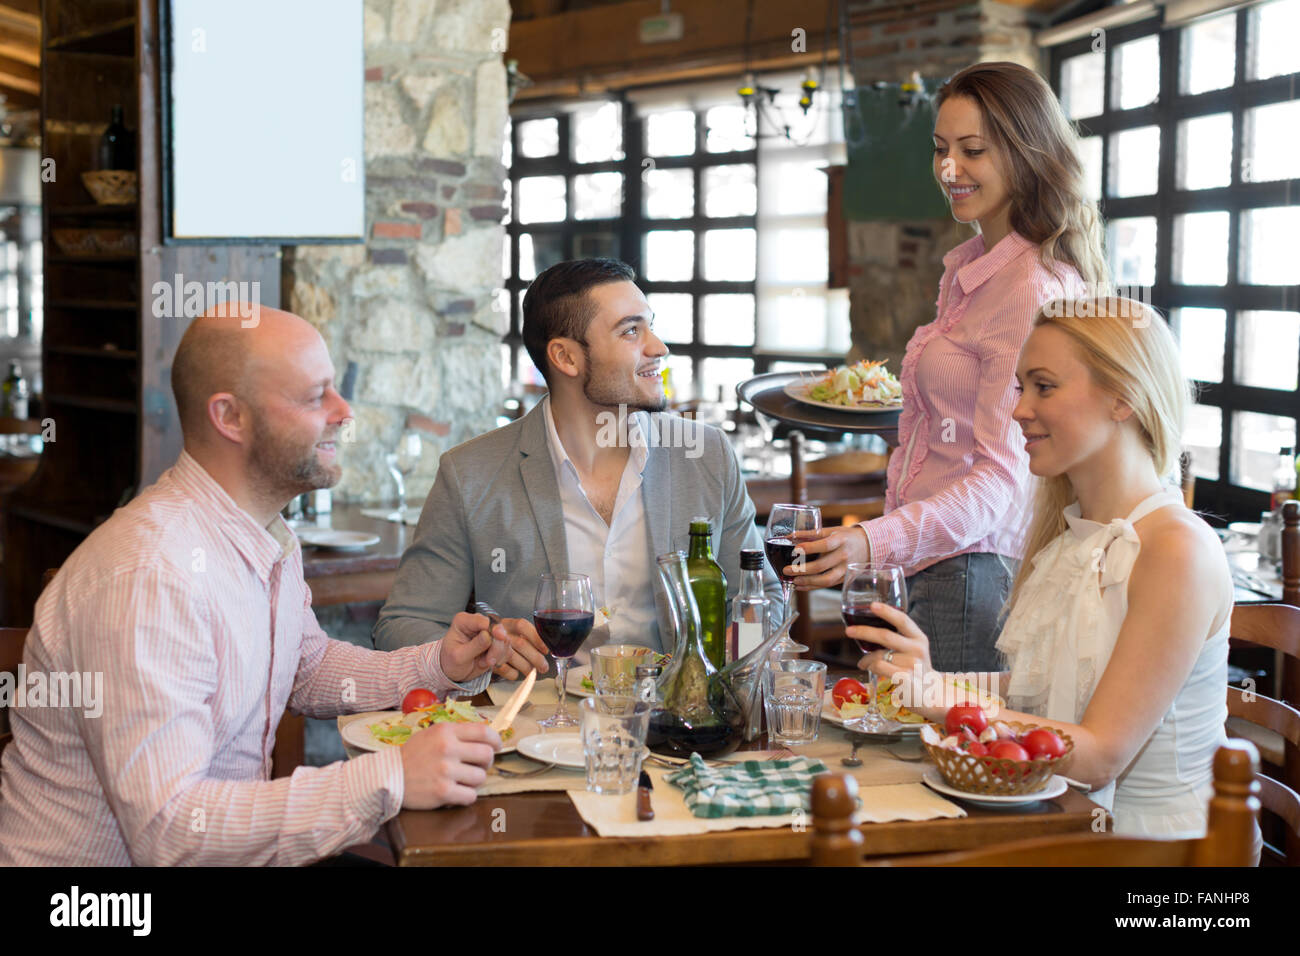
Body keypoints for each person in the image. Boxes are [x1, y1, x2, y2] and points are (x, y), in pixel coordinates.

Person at [0, 304, 523, 866]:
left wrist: (438, 667)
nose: (344, 413)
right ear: (230, 417)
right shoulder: (150, 575)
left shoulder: (264, 532)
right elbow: (170, 832)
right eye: (314, 395)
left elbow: (306, 666)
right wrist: (389, 778)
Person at [860, 298, 1257, 855]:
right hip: (1060, 828)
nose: (1018, 410)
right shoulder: (1069, 533)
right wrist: (933, 679)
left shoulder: (1176, 551)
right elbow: (1044, 694)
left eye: (1043, 387)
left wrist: (947, 702)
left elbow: (1098, 756)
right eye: (1020, 388)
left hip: (1157, 853)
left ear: (1124, 396)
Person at [791, 61, 1106, 673]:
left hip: (970, 573)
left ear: (1025, 155)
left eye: (972, 151)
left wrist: (870, 540)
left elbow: (1002, 478)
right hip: (934, 567)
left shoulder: (1030, 287)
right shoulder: (971, 268)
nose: (948, 169)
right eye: (940, 149)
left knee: (933, 763)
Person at [375, 258, 781, 668]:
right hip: (538, 726)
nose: (658, 347)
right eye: (630, 331)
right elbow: (403, 625)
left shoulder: (705, 454)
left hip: (681, 722)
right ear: (566, 358)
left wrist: (734, 657)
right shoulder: (470, 474)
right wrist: (485, 651)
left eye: (650, 325)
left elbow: (760, 596)